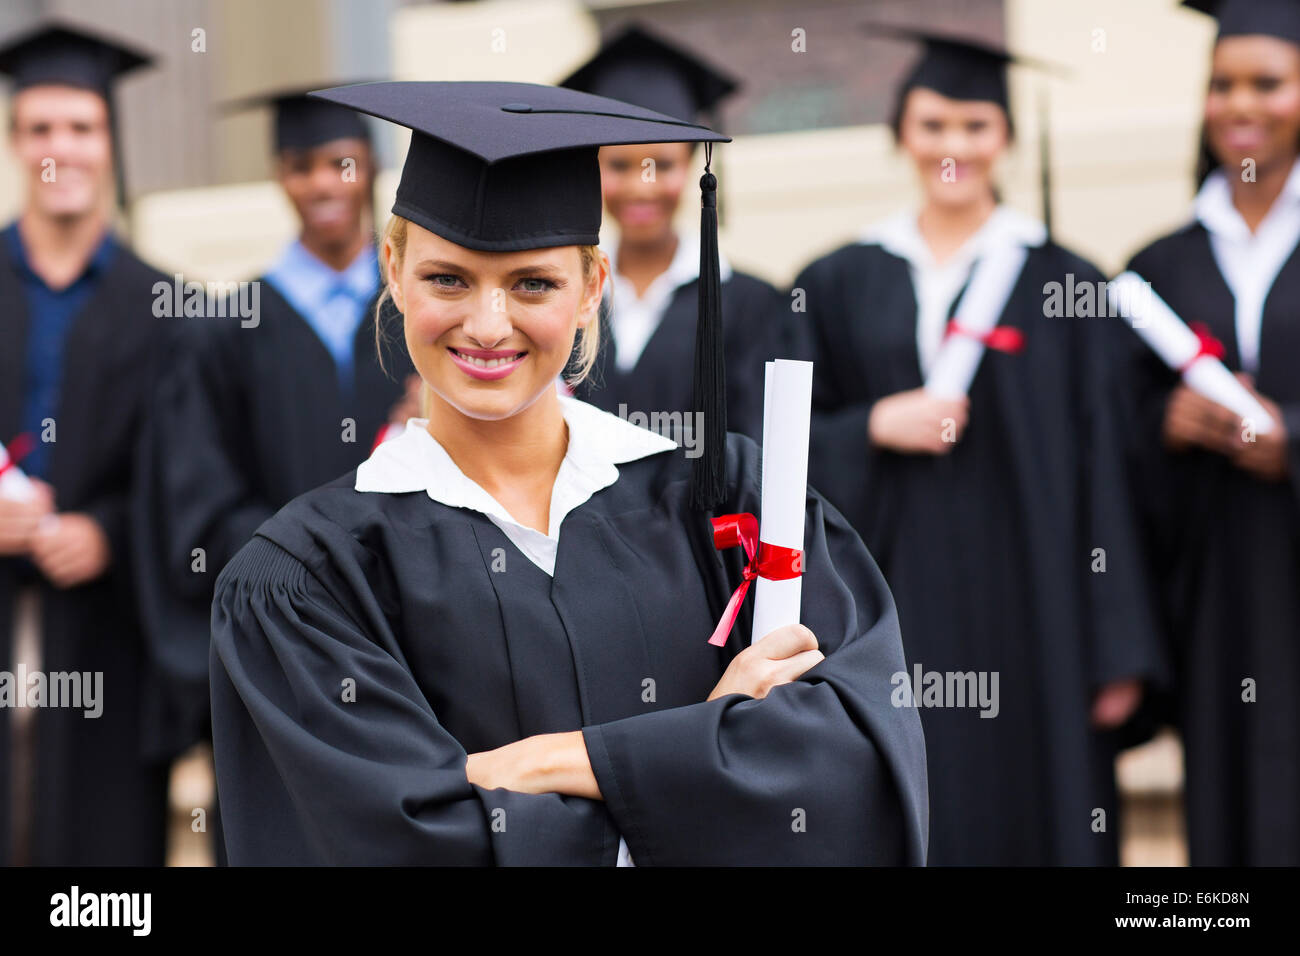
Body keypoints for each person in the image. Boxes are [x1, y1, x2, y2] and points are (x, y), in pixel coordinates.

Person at [207, 79, 929, 865]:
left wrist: (548, 763)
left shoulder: (728, 507)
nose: (488, 325)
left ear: (591, 288)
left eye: (533, 284)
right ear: (393, 268)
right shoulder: (310, 577)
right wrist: (701, 756)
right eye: (448, 278)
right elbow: (393, 843)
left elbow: (848, 763)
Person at [788, 27, 1165, 865]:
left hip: (1042, 610)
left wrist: (1117, 645)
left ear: (1006, 139)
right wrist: (872, 428)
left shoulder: (1064, 281)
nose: (953, 147)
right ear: (899, 135)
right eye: (932, 126)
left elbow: (1113, 466)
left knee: (1045, 803)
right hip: (892, 604)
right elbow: (779, 446)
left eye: (974, 127)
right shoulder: (839, 278)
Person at [132, 86, 418, 857]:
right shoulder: (225, 333)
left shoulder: (423, 322)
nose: (322, 183)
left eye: (339, 162)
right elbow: (196, 504)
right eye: (301, 166)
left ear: (371, 167)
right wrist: (302, 580)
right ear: (278, 177)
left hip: (414, 645)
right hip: (278, 652)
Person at [1120, 0, 1300, 865]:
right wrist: (1169, 420)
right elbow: (1116, 430)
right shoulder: (1162, 263)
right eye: (1222, 84)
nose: (1241, 104)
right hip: (1218, 585)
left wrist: (1290, 442)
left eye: (1267, 82)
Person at [0, 22, 170, 865]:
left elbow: (185, 481)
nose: (60, 148)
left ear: (109, 143)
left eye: (81, 127)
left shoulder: (165, 306)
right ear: (13, 142)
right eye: (39, 129)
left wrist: (110, 529)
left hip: (106, 628)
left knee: (94, 854)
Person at [560, 24, 784, 441]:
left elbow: (758, 442)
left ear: (693, 166)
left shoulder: (751, 305)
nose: (640, 187)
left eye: (661, 166)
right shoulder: (561, 292)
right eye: (619, 166)